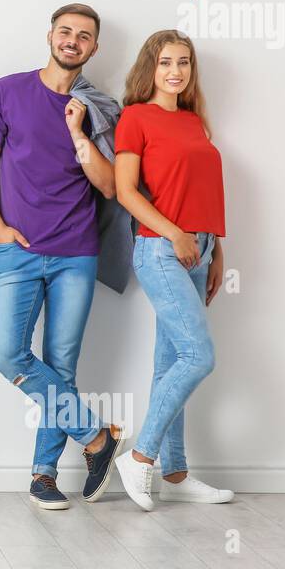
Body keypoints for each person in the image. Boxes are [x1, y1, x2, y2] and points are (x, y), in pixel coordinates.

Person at [0, 3, 125, 510]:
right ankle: (98, 439)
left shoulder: (99, 108)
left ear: (94, 48)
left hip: (76, 253)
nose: (72, 41)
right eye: (65, 32)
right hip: (17, 251)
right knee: (8, 355)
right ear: (50, 36)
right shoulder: (8, 90)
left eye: (83, 36)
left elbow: (109, 186)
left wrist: (80, 132)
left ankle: (43, 475)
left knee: (61, 366)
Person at [113, 30, 233, 510]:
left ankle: (176, 472)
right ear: (151, 67)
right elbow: (126, 192)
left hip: (199, 249)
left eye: (184, 63)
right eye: (166, 62)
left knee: (170, 364)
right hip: (160, 249)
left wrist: (216, 246)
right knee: (198, 356)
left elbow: (200, 189)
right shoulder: (135, 118)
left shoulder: (194, 122)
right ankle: (139, 457)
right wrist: (176, 234)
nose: (176, 71)